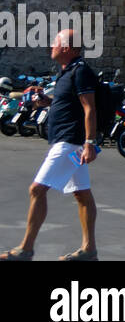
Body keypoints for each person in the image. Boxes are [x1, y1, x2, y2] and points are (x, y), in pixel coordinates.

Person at [1, 29, 99, 261]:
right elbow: (70, 103)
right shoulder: (66, 72)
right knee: (82, 195)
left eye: (55, 43)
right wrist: (47, 101)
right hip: (68, 142)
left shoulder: (80, 71)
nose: (51, 46)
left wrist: (90, 142)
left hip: (70, 142)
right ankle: (89, 250)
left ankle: (25, 249)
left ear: (66, 48)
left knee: (37, 189)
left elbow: (89, 108)